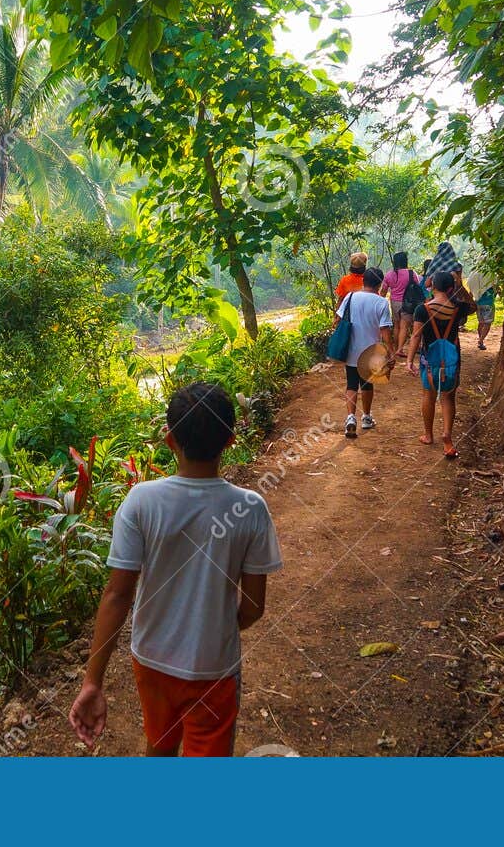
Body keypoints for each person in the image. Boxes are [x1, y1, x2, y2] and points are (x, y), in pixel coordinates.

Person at [69, 382, 282, 756]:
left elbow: (118, 595)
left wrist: (92, 682)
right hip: (213, 670)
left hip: (151, 662)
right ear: (230, 440)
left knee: (160, 744)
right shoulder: (250, 508)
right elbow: (253, 607)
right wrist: (212, 629)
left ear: (170, 440)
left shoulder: (141, 501)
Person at [403, 271, 475, 459]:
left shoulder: (423, 308)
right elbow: (474, 306)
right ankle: (447, 437)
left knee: (429, 394)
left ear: (432, 286)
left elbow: (416, 336)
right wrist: (460, 285)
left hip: (429, 359)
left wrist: (409, 360)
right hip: (452, 359)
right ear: (451, 288)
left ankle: (428, 435)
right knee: (448, 398)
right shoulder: (458, 307)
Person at [335, 266, 392, 439]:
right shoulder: (382, 302)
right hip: (371, 351)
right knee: (367, 384)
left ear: (364, 281)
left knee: (351, 384)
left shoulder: (351, 297)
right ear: (379, 283)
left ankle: (351, 417)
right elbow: (384, 330)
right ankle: (366, 417)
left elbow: (338, 318)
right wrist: (390, 352)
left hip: (351, 348)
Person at [380, 252, 421, 359]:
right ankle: (400, 349)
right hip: (408, 303)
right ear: (405, 261)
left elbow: (383, 291)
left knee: (396, 325)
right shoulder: (412, 273)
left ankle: (395, 348)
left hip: (394, 302)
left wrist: (379, 300)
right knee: (404, 326)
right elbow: (417, 287)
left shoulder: (389, 274)